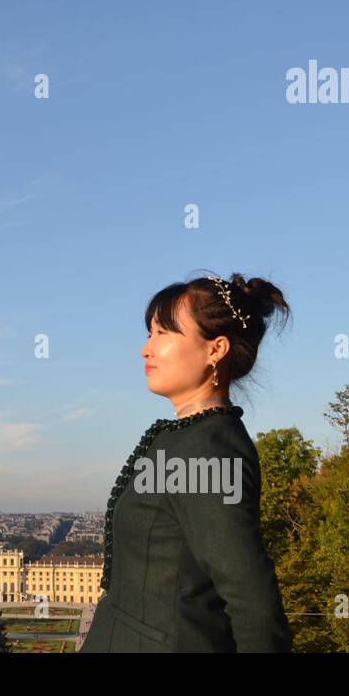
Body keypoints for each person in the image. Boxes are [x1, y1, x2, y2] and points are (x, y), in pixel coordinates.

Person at [80, 271, 293, 653]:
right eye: (149, 333)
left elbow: (253, 603)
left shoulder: (209, 447)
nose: (146, 349)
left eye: (163, 333)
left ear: (216, 349)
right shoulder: (189, 437)